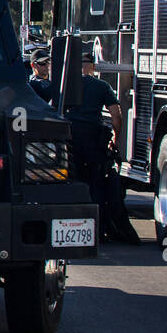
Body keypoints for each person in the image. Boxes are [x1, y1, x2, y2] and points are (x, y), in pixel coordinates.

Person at [64, 48, 138, 244]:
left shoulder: (65, 85)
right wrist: (116, 137)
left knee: (71, 181)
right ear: (93, 67)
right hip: (93, 140)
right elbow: (116, 114)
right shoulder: (101, 86)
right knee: (96, 182)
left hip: (69, 140)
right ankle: (97, 229)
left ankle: (73, 227)